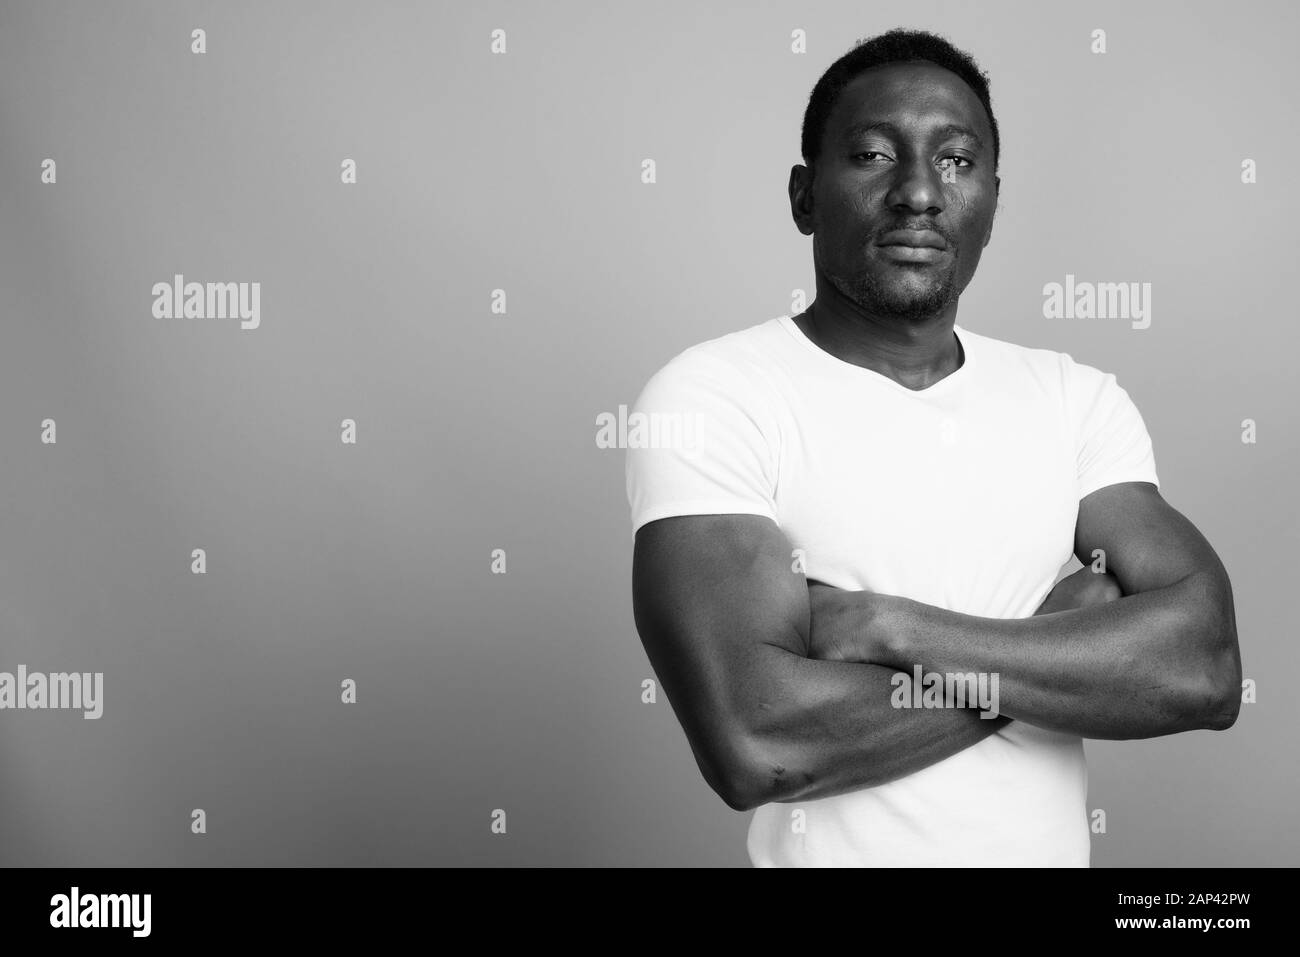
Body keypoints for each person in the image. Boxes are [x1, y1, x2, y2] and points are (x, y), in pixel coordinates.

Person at [625, 28, 1241, 867]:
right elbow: (758, 741)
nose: (919, 192)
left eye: (956, 161)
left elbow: (1202, 666)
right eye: (875, 154)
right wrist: (1059, 647)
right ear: (805, 197)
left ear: (992, 199)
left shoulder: (1072, 397)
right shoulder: (715, 396)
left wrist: (890, 625)